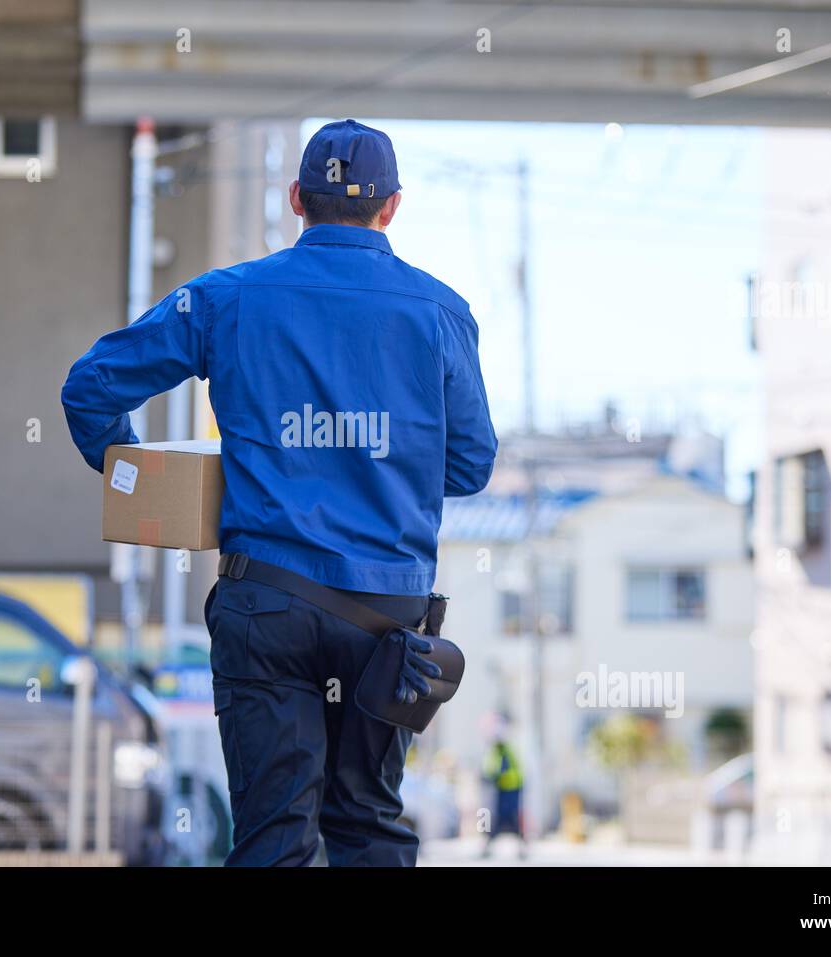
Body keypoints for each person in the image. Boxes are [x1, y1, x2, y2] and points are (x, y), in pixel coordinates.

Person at [62, 118, 497, 866]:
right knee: (367, 825)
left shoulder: (229, 298)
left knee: (273, 836)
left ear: (298, 198)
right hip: (385, 621)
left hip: (266, 605)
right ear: (391, 207)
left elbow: (91, 386)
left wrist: (138, 476)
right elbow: (469, 466)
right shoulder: (440, 313)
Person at [482, 720, 527, 859]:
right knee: (500, 820)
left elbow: (500, 769)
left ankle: (521, 849)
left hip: (510, 790)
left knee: (510, 819)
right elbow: (491, 767)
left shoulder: (504, 750)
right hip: (504, 790)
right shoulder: (500, 750)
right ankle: (488, 848)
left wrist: (491, 776)